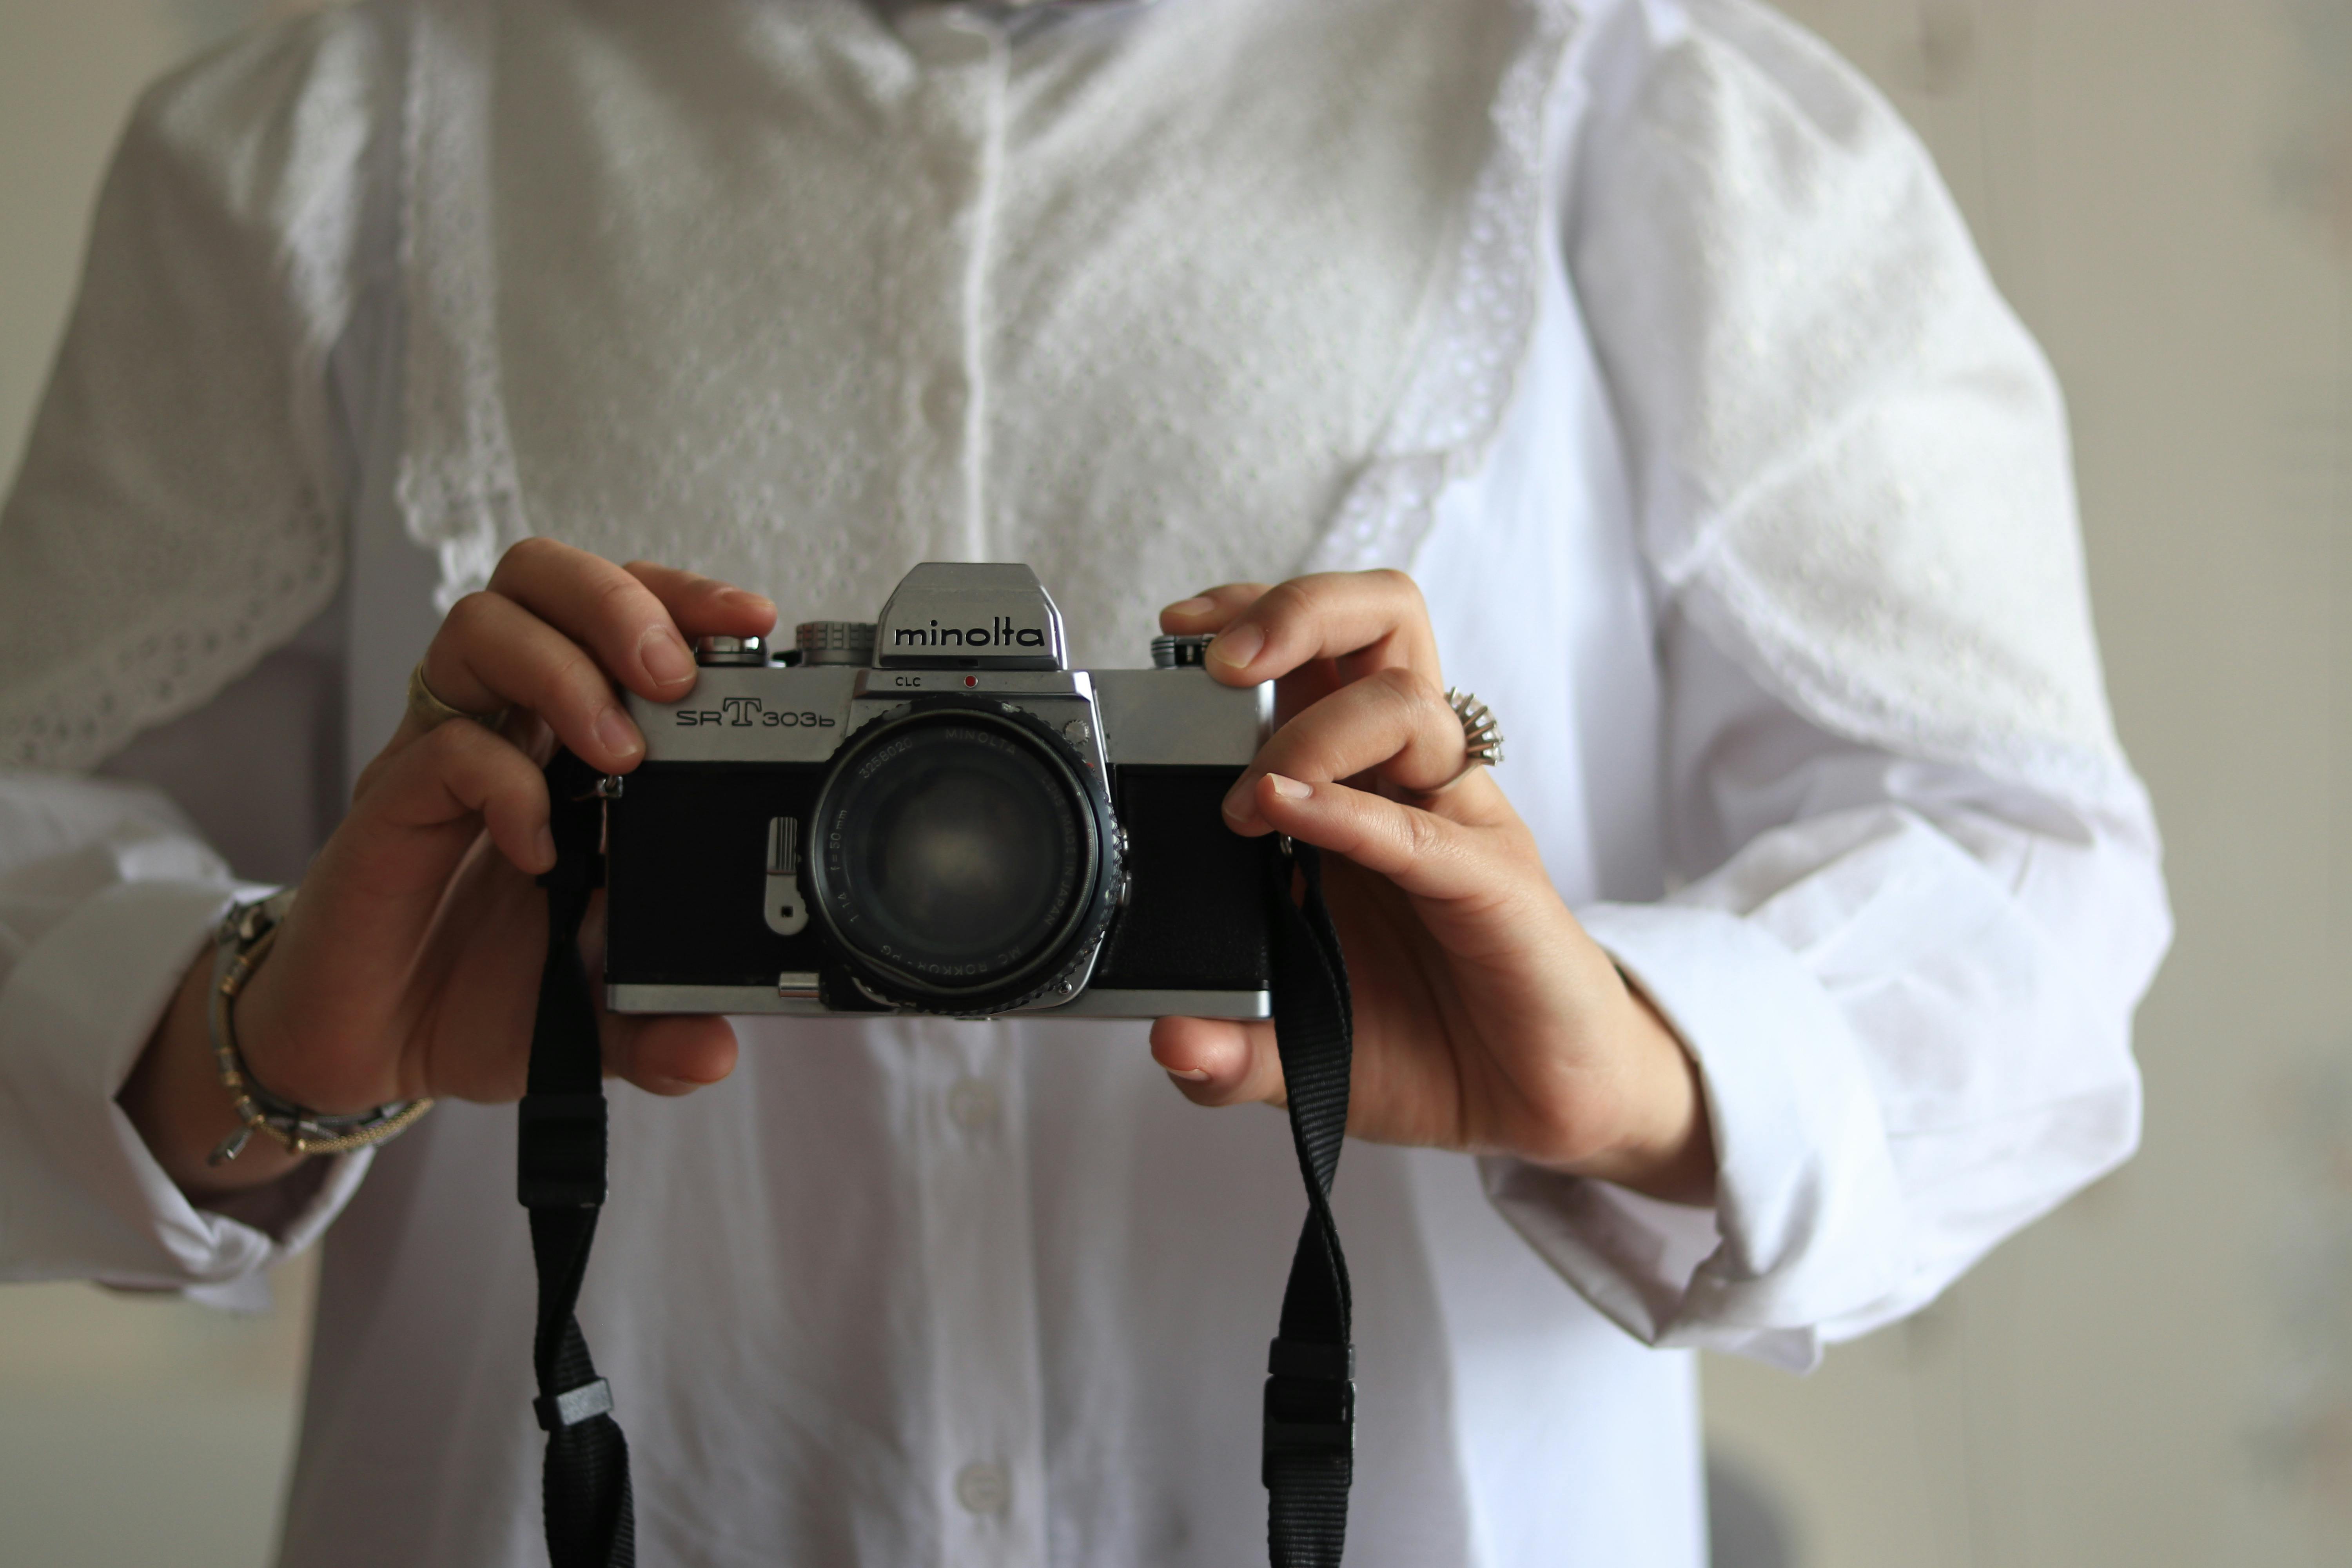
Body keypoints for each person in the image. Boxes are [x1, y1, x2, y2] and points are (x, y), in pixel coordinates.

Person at [0, 0, 2172, 1563]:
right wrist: (269, 1020)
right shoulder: (324, 136)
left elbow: (2029, 891)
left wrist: (1629, 1059)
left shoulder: (1658, 109)